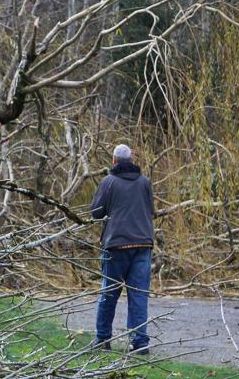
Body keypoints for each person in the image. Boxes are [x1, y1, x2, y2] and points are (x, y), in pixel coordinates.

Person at [91, 144, 154, 354]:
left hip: (116, 245)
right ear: (132, 159)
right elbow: (150, 211)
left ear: (114, 160)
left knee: (109, 294)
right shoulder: (144, 182)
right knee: (138, 295)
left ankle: (102, 338)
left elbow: (96, 212)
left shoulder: (108, 182)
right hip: (143, 244)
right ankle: (140, 342)